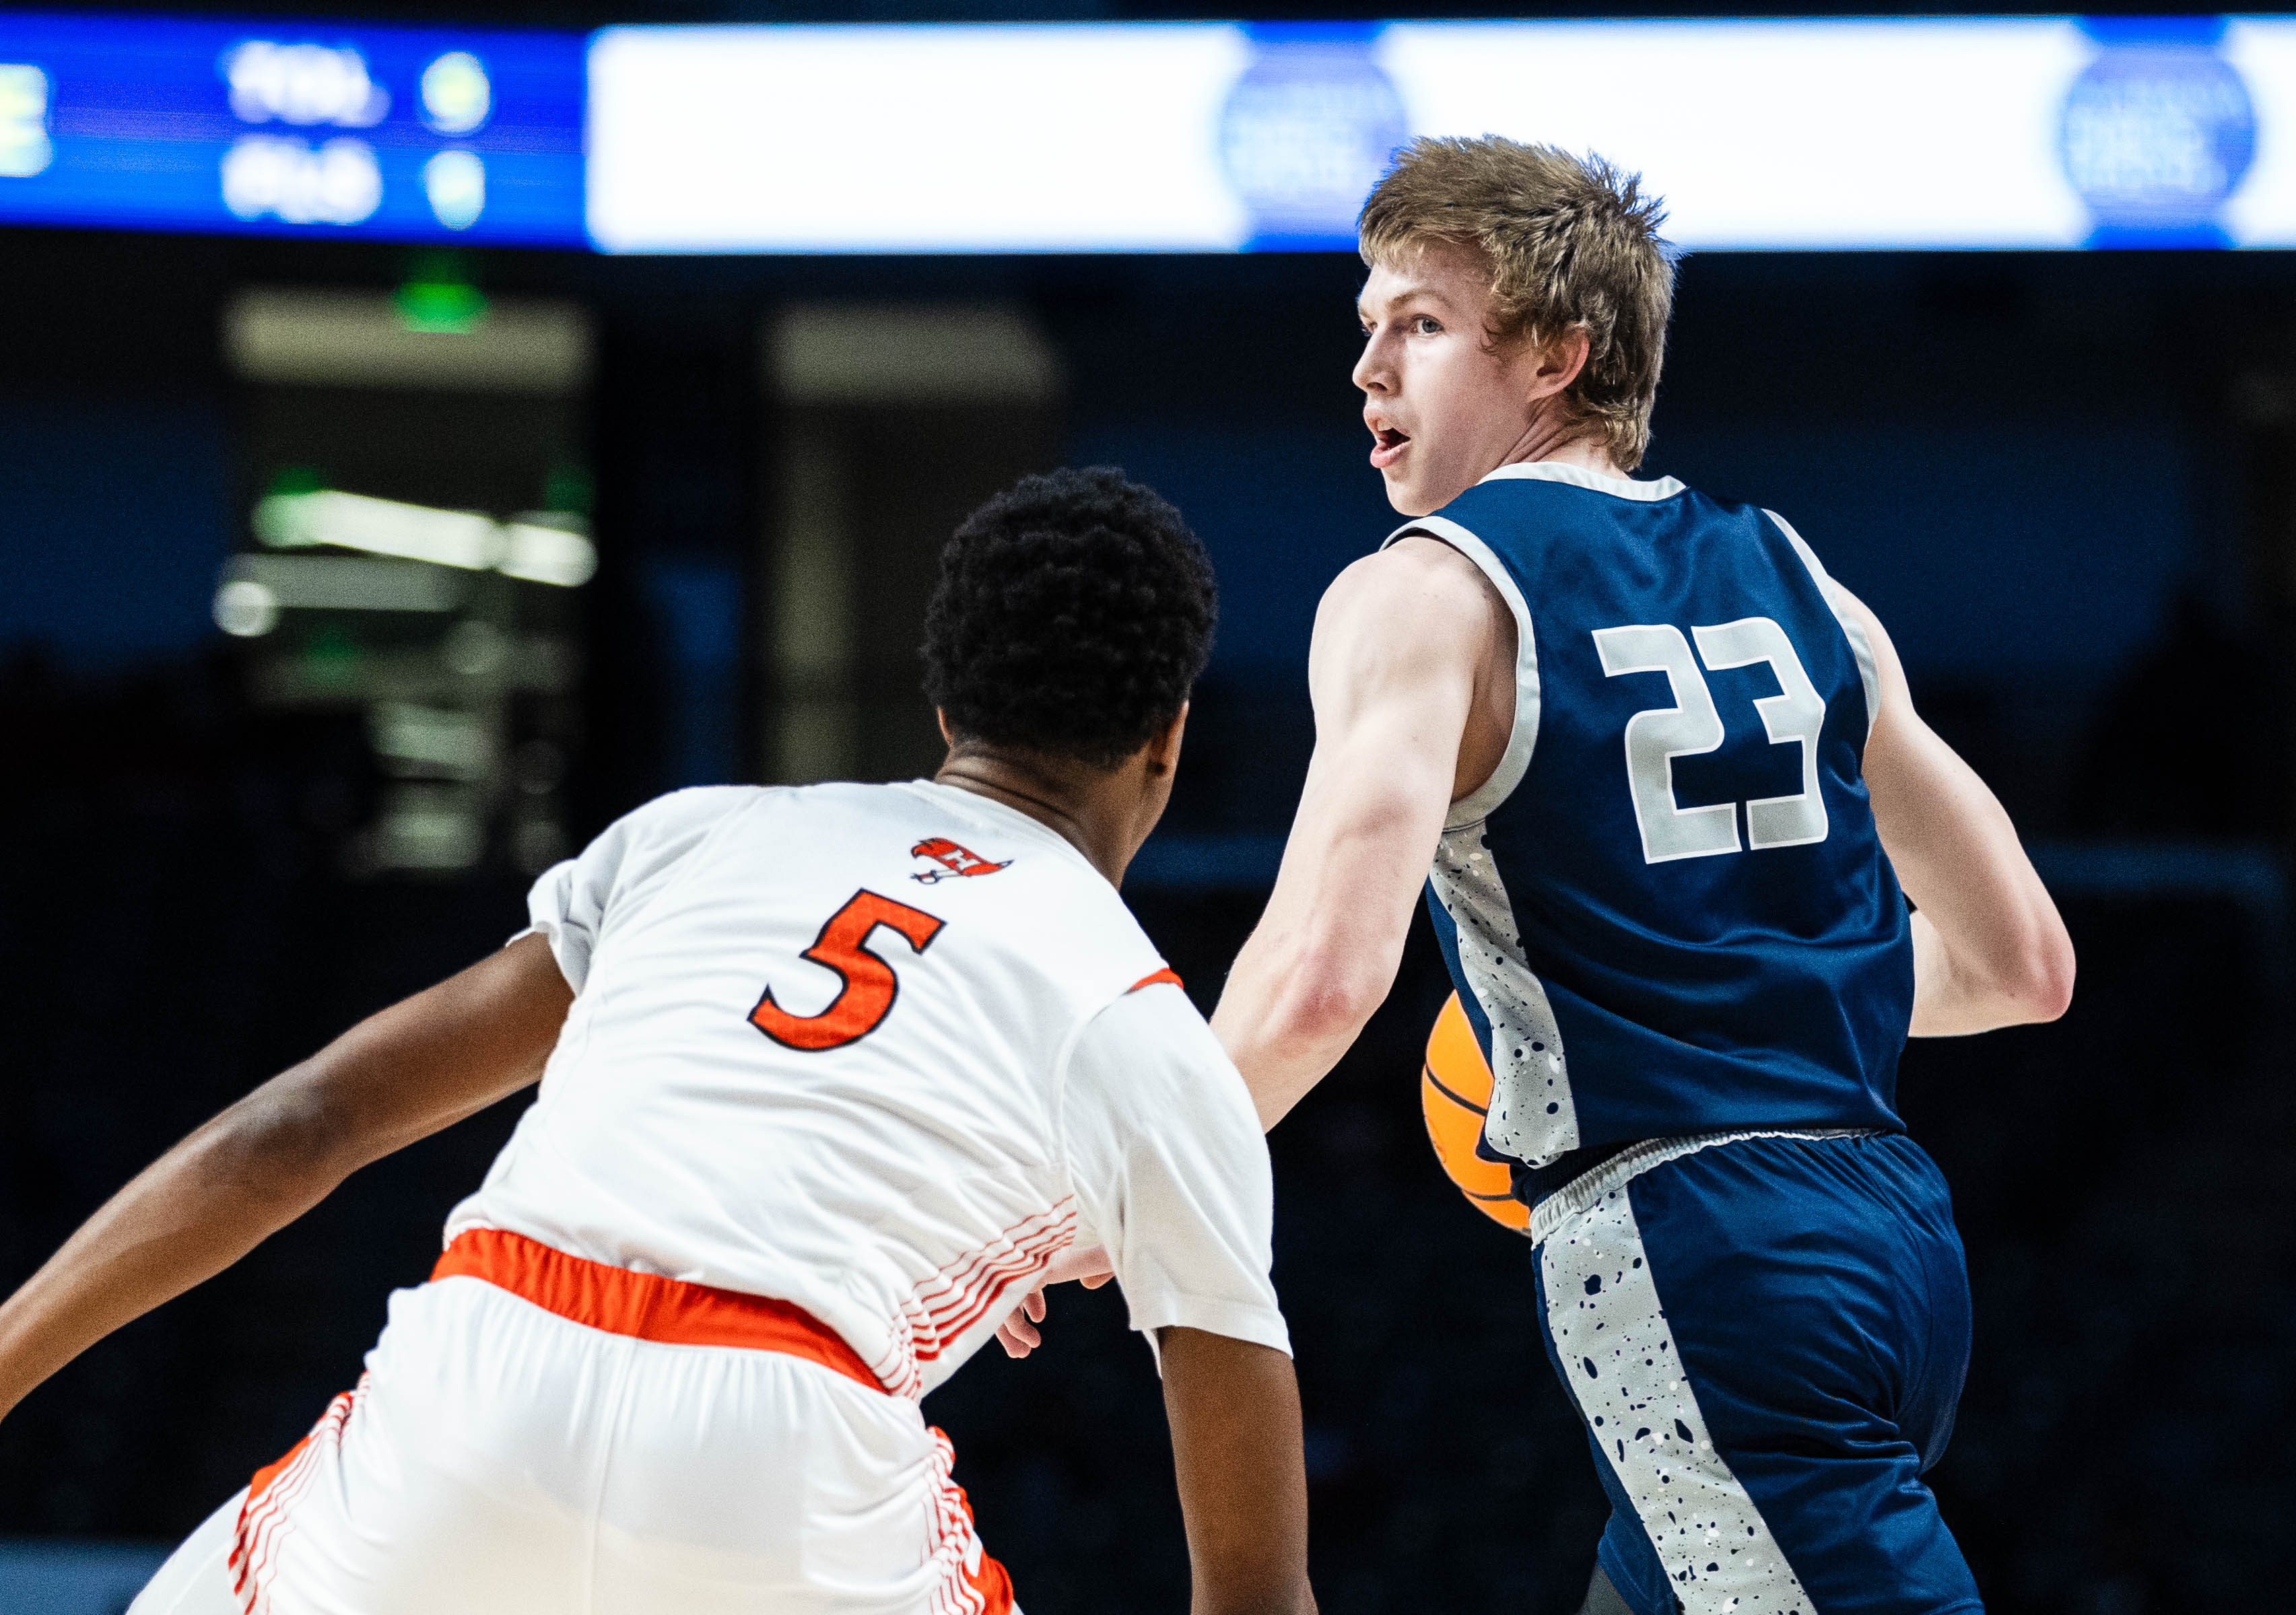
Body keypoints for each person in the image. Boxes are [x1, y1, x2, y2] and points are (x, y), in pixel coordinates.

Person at [1011, 138, 2074, 1614]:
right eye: (1365, 325)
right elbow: (2025, 969)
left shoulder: (1425, 592)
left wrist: (1094, 1204)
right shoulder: (1797, 574)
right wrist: (1741, 996)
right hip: (1895, 1236)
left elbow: (1317, 981)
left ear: (1559, 357)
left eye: (1422, 325)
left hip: (1692, 1256)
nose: (1367, 368)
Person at [0, 467, 1317, 1615]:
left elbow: (304, 1125)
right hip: (782, 1449)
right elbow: (1252, 1589)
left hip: (494, 1350)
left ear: (943, 708)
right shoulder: (1148, 1029)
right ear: (1169, 736)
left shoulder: (699, 834)